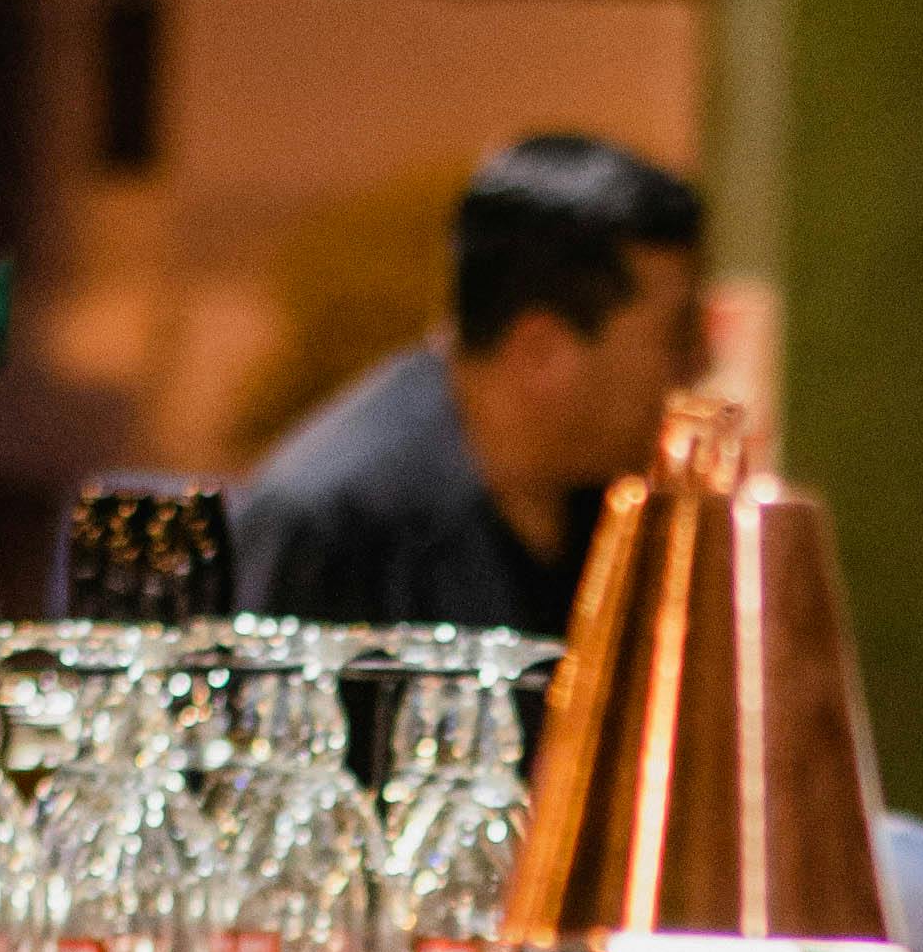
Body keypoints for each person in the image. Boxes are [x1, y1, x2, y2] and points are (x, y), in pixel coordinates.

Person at [232, 134, 704, 635]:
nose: (699, 365)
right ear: (540, 352)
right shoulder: (330, 530)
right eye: (677, 338)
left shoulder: (612, 505)